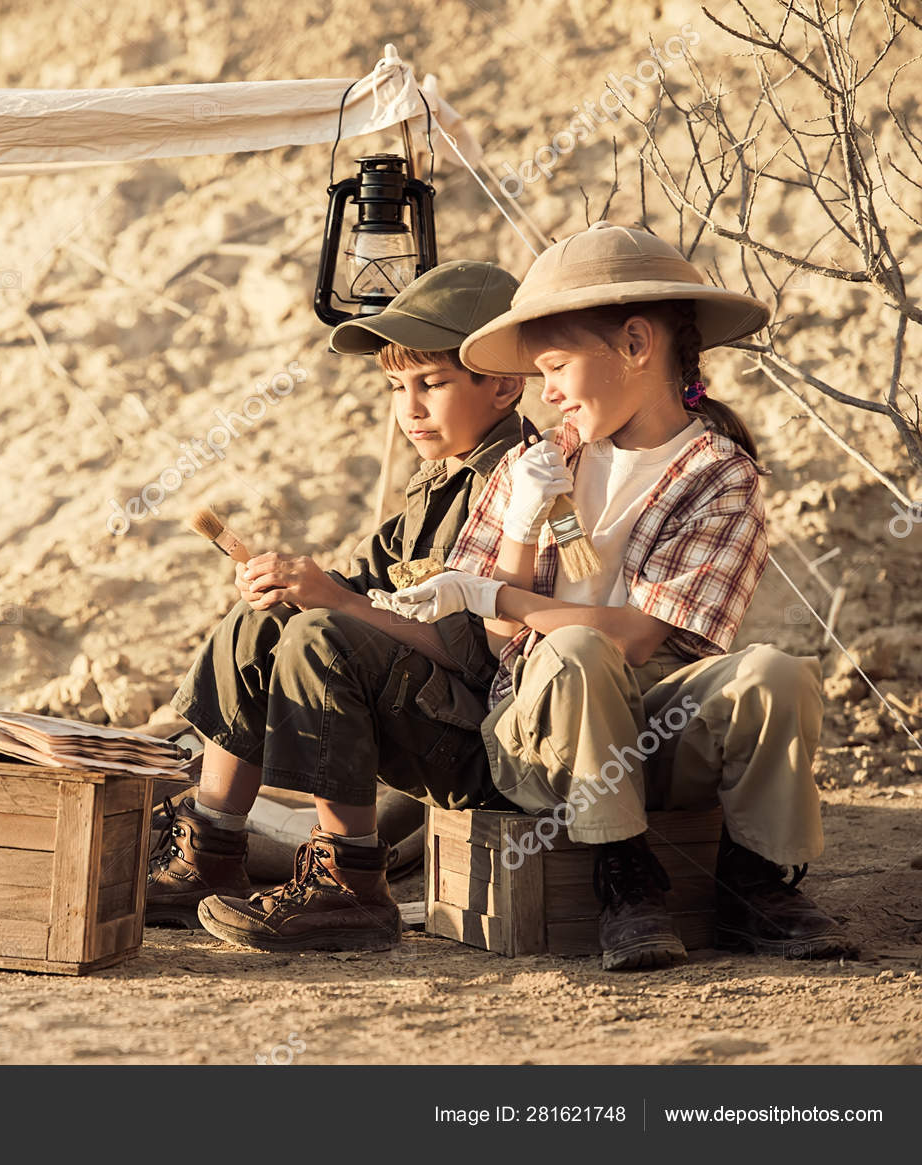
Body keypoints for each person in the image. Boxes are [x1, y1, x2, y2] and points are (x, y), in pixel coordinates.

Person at [384, 222, 848, 970]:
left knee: (778, 673)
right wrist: (522, 537)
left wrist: (492, 597)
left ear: (637, 345)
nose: (551, 392)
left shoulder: (719, 476)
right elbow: (506, 647)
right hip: (544, 738)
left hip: (657, 733)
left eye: (559, 366)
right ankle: (624, 877)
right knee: (573, 649)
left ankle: (757, 881)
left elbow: (637, 639)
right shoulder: (536, 462)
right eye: (541, 375)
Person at [151, 260, 524, 952]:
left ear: (503, 384)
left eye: (431, 384)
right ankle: (212, 851)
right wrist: (289, 586)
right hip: (428, 714)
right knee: (265, 622)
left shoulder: (519, 482)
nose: (407, 408)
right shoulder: (436, 483)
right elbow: (366, 580)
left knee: (323, 636)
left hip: (484, 744)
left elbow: (477, 651)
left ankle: (351, 883)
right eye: (395, 387)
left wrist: (333, 601)